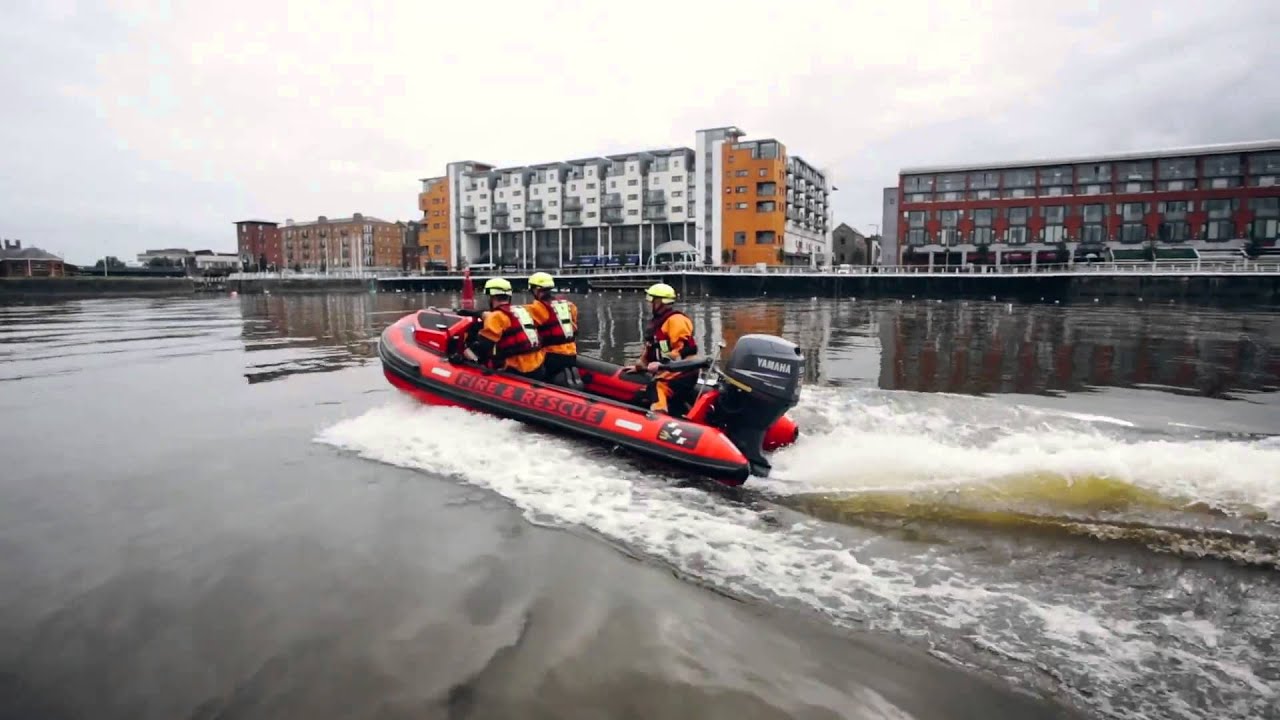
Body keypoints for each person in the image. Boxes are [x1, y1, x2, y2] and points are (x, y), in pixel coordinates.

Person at [634, 282, 699, 415]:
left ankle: (658, 418)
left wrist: (662, 364)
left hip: (683, 369)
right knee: (646, 394)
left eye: (652, 300)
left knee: (657, 386)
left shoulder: (676, 320)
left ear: (661, 302)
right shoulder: (658, 323)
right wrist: (640, 365)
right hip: (668, 368)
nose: (649, 303)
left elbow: (684, 350)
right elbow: (651, 349)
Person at [462, 277, 546, 379]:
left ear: (491, 297)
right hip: (538, 368)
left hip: (517, 371)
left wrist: (462, 357)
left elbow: (482, 348)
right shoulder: (524, 310)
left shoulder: (496, 317)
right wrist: (479, 313)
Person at [525, 272, 580, 387]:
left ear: (535, 290)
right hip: (572, 354)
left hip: (551, 356)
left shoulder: (536, 308)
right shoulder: (569, 305)